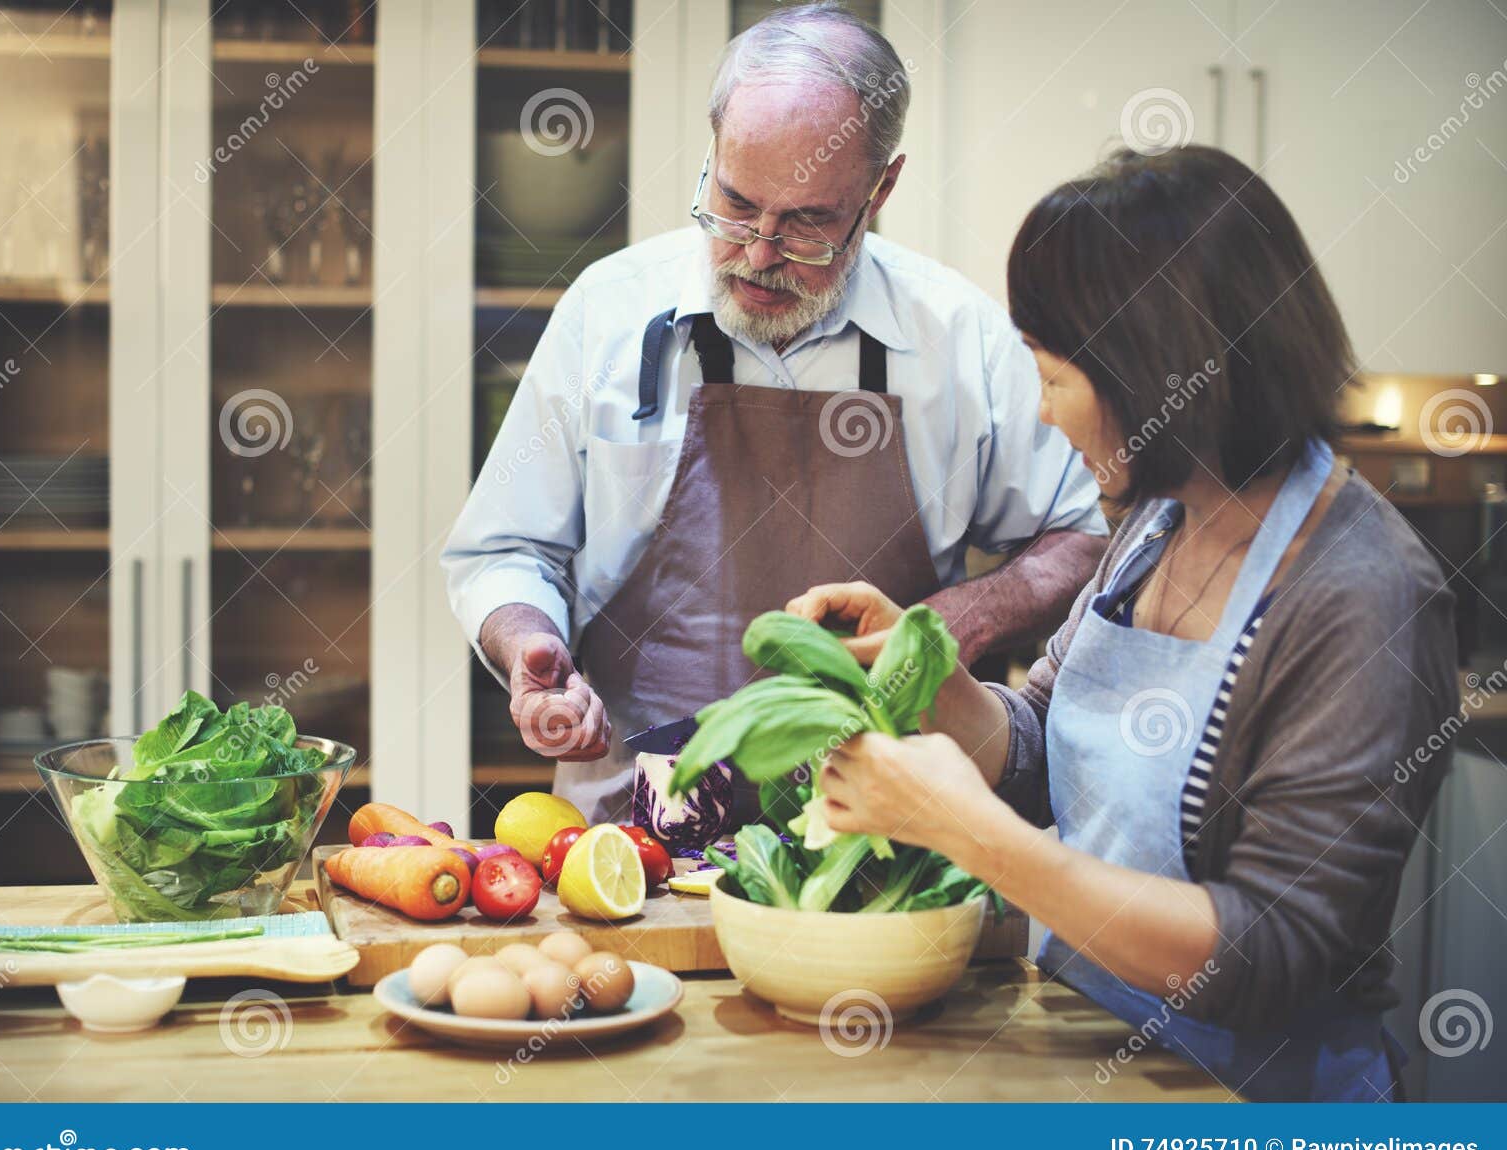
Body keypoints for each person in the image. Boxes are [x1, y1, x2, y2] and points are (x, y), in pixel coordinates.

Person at [792, 145, 1457, 1102]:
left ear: (1159, 375)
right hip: (1098, 1065)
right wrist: (928, 670)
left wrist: (966, 833)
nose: (1044, 412)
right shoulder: (1157, 520)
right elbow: (1036, 757)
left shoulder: (1364, 598)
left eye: (1054, 376)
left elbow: (1267, 953)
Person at [441, 2, 1106, 822]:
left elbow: (1082, 537)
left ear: (881, 187)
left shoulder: (959, 336)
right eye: (735, 202)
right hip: (629, 842)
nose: (757, 253)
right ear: (714, 146)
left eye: (806, 223)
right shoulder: (607, 312)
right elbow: (505, 547)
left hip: (882, 837)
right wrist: (528, 642)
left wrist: (955, 623)